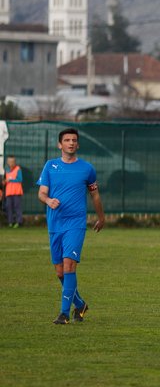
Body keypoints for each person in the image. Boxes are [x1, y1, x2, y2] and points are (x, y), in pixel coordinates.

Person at [37, 129, 105, 325]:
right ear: (60, 145)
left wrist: (101, 217)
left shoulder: (87, 169)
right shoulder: (50, 166)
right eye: (67, 140)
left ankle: (64, 314)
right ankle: (80, 304)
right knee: (60, 272)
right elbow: (41, 193)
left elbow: (95, 195)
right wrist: (48, 201)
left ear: (78, 145)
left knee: (69, 265)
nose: (71, 143)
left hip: (75, 223)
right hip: (55, 223)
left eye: (74, 140)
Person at [5, 155, 25, 227]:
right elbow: (6, 180)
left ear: (15, 162)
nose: (11, 163)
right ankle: (10, 222)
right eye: (10, 161)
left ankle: (18, 222)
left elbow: (20, 179)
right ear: (7, 162)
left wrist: (10, 180)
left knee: (17, 207)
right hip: (8, 192)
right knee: (8, 207)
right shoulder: (6, 170)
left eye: (12, 161)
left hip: (17, 192)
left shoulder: (18, 169)